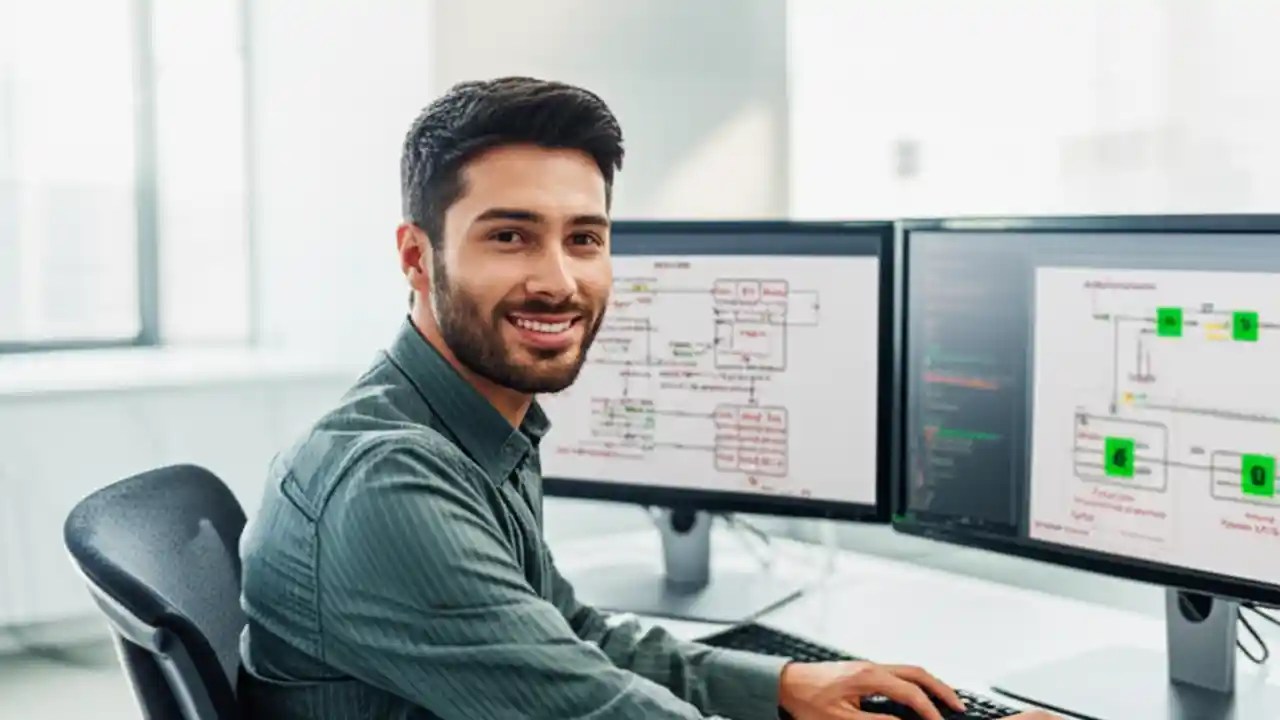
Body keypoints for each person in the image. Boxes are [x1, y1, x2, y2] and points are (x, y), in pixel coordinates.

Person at [238, 76, 1058, 720]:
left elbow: (572, 638)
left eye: (585, 238)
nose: (559, 281)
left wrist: (781, 684)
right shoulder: (390, 484)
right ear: (417, 257)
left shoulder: (464, 429)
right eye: (509, 235)